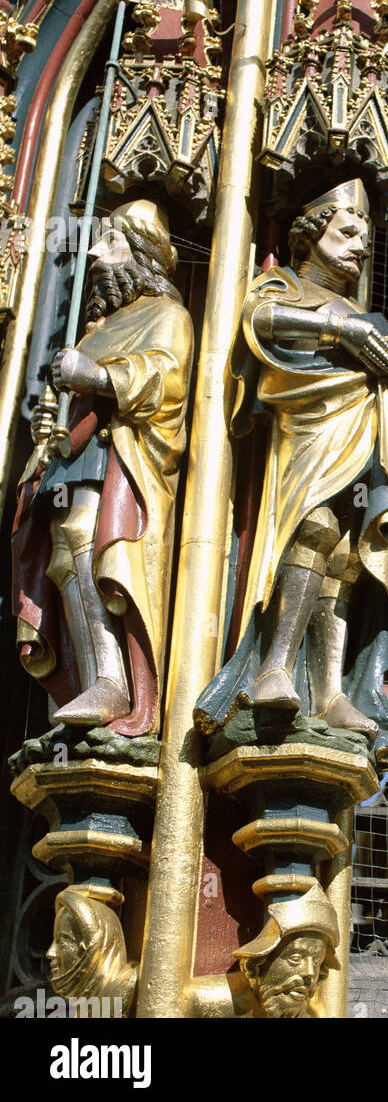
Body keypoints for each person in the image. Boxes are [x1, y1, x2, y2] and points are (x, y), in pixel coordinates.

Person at [194, 175, 388, 757]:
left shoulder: (365, 314)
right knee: (312, 528)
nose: (360, 245)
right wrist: (343, 329)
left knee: (349, 553)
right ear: (310, 235)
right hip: (310, 434)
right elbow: (259, 322)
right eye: (348, 231)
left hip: (364, 433)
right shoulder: (285, 284)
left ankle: (329, 690)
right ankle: (274, 667)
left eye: (366, 238)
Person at [13, 199, 193, 733]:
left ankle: (116, 682)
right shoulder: (95, 328)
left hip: (118, 456)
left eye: (110, 242)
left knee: (93, 542)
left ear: (141, 253)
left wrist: (94, 374)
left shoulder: (167, 315)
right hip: (74, 456)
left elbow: (166, 381)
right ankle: (94, 675)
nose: (94, 254)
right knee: (65, 551)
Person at [232, 886, 339, 1019]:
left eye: (316, 962)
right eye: (295, 959)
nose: (310, 973)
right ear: (260, 963)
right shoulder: (209, 1001)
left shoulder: (313, 1015)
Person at [47, 886, 137, 1016]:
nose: (50, 953)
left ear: (88, 946)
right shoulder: (86, 1011)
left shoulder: (133, 987)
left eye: (61, 941)